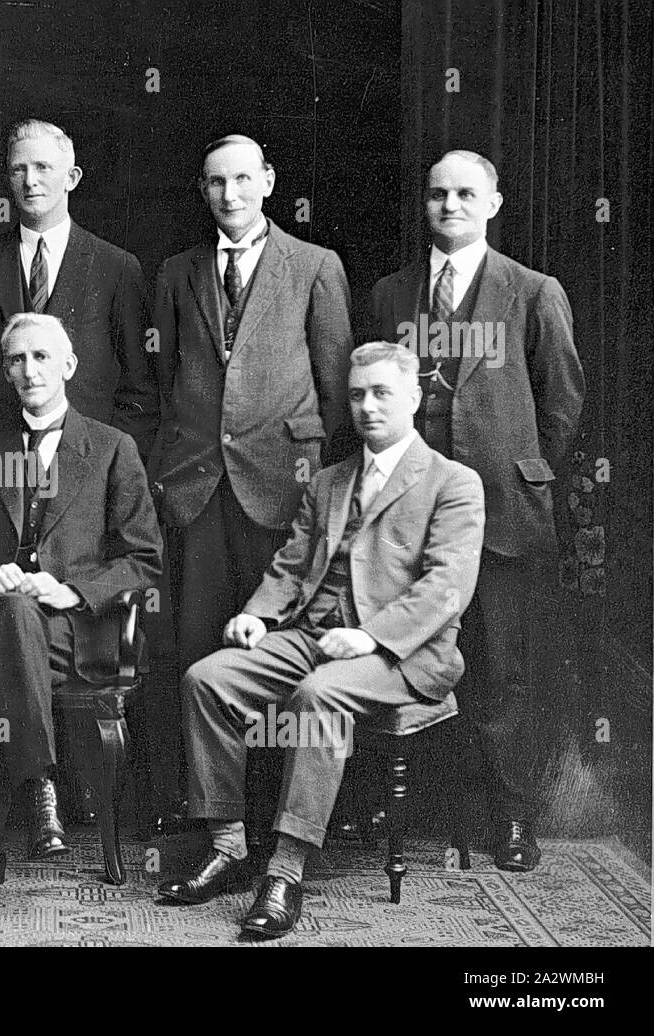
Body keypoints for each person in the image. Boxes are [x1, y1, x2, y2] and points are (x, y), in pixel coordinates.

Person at [161, 342, 484, 938]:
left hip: (401, 653)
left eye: (382, 393)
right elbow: (290, 563)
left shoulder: (454, 483)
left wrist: (370, 638)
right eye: (358, 395)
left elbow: (446, 588)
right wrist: (258, 614)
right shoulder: (332, 481)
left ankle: (285, 871)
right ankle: (229, 848)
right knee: (207, 679)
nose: (367, 407)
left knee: (318, 697)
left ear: (413, 397)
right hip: (311, 633)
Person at [369, 150, 585, 871]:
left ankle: (511, 817)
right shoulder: (392, 295)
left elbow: (561, 405)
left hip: (504, 517)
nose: (449, 205)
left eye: (465, 194)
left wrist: (519, 469)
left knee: (502, 670)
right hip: (411, 518)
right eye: (437, 195)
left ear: (493, 203)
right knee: (412, 654)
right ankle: (417, 809)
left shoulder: (533, 291)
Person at [0, 313, 162, 903]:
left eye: (42, 358)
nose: (30, 370)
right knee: (8, 613)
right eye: (17, 360)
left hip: (75, 631)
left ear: (69, 367)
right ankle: (40, 782)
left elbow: (144, 559)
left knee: (10, 634)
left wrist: (71, 589)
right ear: (6, 371)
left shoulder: (111, 449)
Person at [150, 134, 354, 673]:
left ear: (267, 181)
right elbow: (165, 381)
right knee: (198, 643)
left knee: (276, 644)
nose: (230, 194)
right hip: (197, 483)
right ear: (203, 189)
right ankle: (207, 760)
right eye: (217, 181)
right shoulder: (177, 272)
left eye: (243, 179)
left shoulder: (314, 265)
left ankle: (273, 758)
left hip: (285, 479)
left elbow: (335, 388)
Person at [0, 118, 156, 466]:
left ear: (72, 177)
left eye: (42, 167)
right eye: (18, 169)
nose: (30, 181)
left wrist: (110, 460)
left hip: (85, 465)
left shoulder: (117, 267)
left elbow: (140, 385)